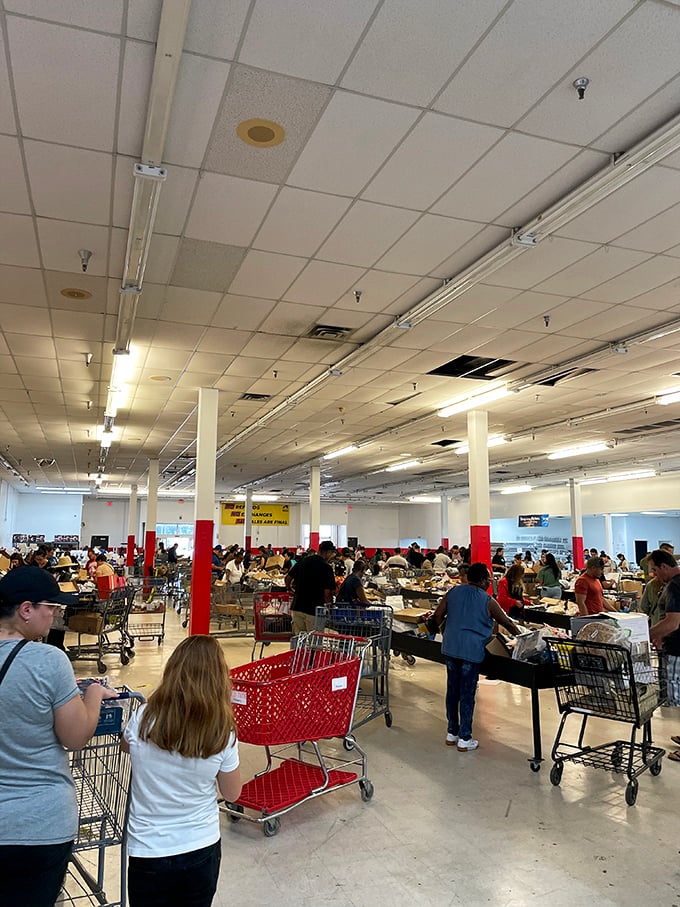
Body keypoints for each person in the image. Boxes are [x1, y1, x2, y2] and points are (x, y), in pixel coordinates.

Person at [0, 567, 118, 907]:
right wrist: (93, 694)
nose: (55, 614)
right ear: (25, 610)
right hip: (39, 826)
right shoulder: (48, 661)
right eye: (50, 607)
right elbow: (75, 736)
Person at [121, 635, 241, 906]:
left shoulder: (143, 716)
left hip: (147, 850)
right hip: (200, 846)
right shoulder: (223, 731)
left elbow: (126, 747)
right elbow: (232, 794)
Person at [432, 563, 520, 752]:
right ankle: (465, 738)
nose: (490, 581)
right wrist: (522, 636)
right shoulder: (487, 600)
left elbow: (438, 614)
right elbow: (506, 622)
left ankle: (451, 733)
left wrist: (443, 630)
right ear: (481, 580)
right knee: (467, 693)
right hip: (471, 652)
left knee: (452, 690)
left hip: (451, 647)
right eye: (488, 579)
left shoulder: (452, 593)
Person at [648, 549, 680, 761]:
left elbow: (673, 622)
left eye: (654, 570)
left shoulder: (675, 586)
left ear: (664, 567)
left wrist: (644, 635)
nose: (654, 575)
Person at [285, 540, 336, 633]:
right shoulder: (326, 567)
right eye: (331, 553)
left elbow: (287, 578)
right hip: (314, 610)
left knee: (299, 641)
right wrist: (329, 609)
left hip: (297, 607)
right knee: (314, 642)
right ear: (327, 552)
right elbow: (327, 593)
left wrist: (289, 589)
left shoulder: (303, 561)